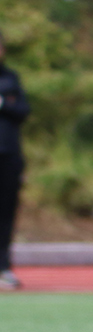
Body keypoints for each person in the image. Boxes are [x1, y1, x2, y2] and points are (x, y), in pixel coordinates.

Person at [0, 32, 27, 291]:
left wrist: (2, 104)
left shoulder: (11, 78)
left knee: (5, 214)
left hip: (8, 156)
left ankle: (4, 268)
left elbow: (22, 111)